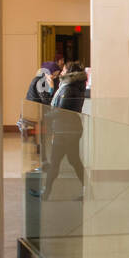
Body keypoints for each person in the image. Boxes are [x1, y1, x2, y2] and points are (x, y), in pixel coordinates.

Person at [44, 61, 88, 199]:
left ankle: (46, 193)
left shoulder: (68, 88)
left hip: (65, 131)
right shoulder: (71, 86)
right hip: (69, 129)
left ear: (69, 73)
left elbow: (61, 111)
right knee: (74, 161)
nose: (61, 73)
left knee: (55, 162)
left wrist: (43, 117)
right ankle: (88, 189)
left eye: (63, 70)